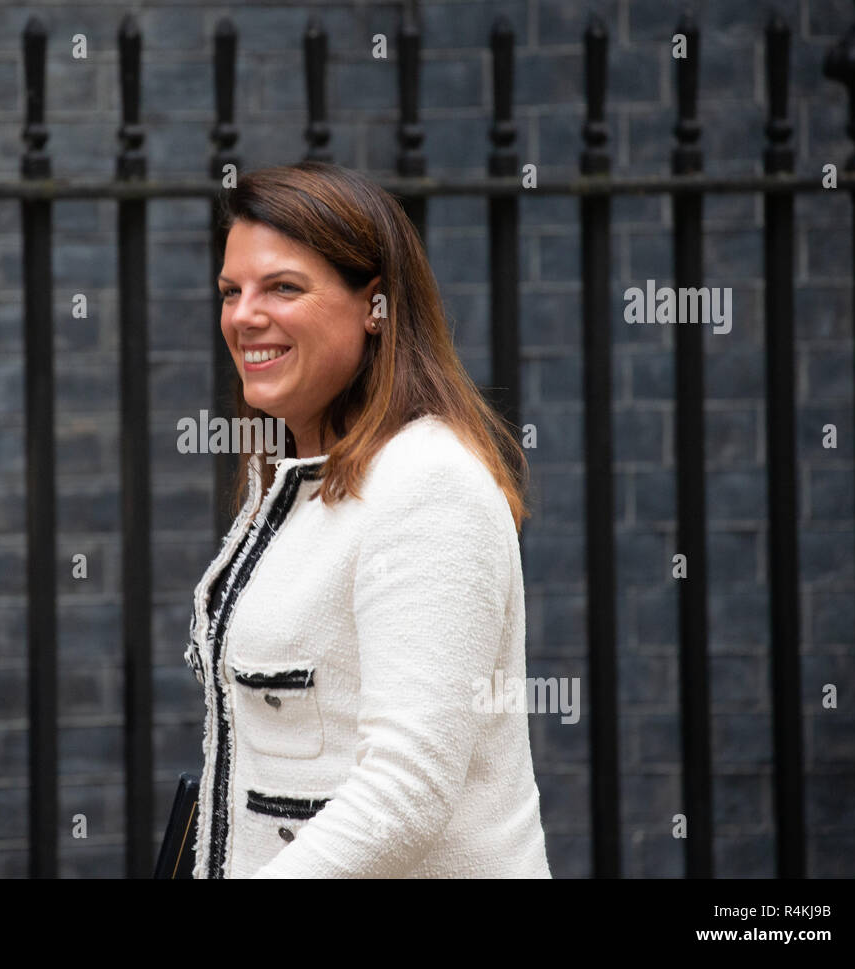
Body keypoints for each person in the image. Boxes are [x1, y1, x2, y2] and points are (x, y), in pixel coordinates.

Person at [183, 161, 552, 878]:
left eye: (283, 287)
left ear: (375, 306)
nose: (243, 315)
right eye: (232, 291)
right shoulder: (300, 482)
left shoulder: (428, 483)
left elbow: (404, 791)